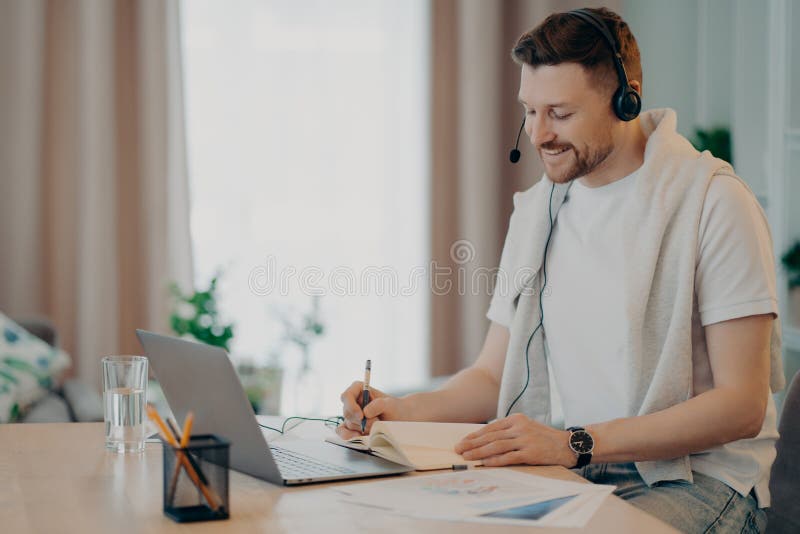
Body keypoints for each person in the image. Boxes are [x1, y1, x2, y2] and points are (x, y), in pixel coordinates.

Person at [337, 7, 783, 532]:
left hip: (697, 484)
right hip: (577, 467)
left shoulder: (713, 203)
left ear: (626, 98)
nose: (539, 134)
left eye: (561, 114)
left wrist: (574, 443)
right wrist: (402, 412)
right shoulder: (536, 212)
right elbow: (491, 375)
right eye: (529, 111)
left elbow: (741, 405)